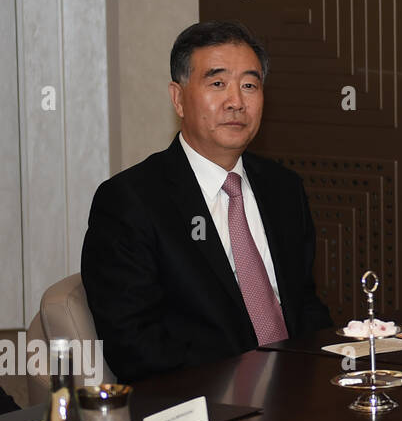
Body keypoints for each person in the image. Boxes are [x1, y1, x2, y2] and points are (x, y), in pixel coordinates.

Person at [81, 21, 333, 382]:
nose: (236, 102)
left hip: (299, 395)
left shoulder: (284, 188)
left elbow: (305, 306)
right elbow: (135, 344)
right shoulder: (130, 201)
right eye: (217, 84)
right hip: (205, 409)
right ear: (178, 98)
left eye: (250, 85)